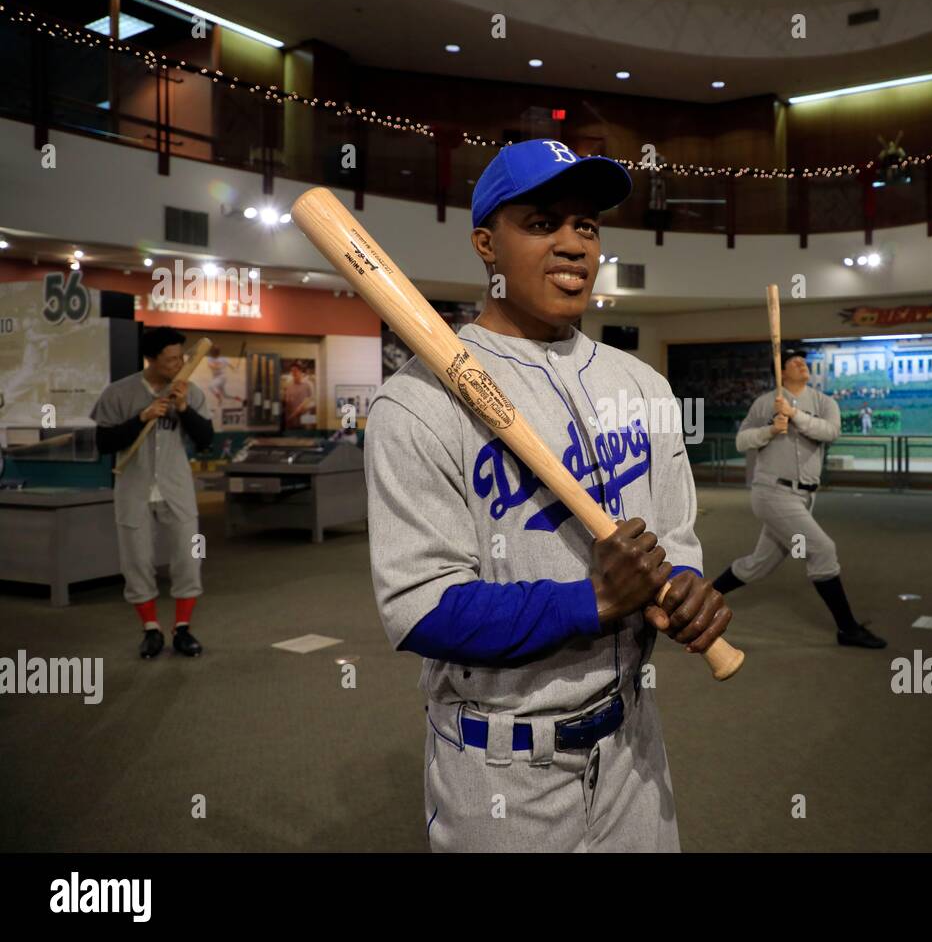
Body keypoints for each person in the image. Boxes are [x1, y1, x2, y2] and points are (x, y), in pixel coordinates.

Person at [364, 138, 731, 853]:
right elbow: (420, 607)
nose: (572, 244)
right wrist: (592, 601)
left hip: (633, 743)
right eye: (541, 222)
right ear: (486, 245)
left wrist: (686, 588)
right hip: (501, 765)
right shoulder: (416, 403)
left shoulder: (643, 387)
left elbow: (675, 539)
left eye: (586, 226)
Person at [709, 349, 886, 649]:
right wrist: (769, 430)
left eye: (803, 360)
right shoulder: (764, 403)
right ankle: (847, 629)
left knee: (758, 565)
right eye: (793, 361)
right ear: (780, 371)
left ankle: (700, 598)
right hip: (772, 492)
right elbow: (742, 441)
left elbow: (831, 432)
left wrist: (795, 416)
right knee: (822, 550)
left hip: (804, 496)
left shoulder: (823, 402)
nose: (801, 363)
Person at [91, 327, 213, 657]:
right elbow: (104, 443)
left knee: (189, 559)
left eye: (181, 357)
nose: (178, 364)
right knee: (137, 561)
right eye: (170, 359)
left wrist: (185, 409)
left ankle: (183, 628)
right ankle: (150, 629)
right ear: (151, 359)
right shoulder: (118, 393)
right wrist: (141, 418)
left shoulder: (190, 391)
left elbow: (206, 440)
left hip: (177, 490)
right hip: (133, 490)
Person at [282, 362, 315, 430]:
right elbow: (288, 402)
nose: (293, 373)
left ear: (300, 371)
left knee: (306, 438)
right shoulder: (289, 385)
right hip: (292, 420)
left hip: (305, 418)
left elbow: (313, 401)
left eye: (295, 370)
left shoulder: (308, 384)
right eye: (292, 371)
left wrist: (303, 408)